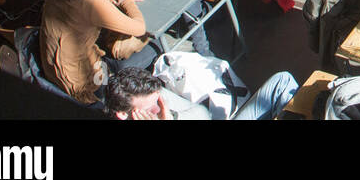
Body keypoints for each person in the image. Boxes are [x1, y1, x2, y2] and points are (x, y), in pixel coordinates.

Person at [39, 0, 148, 105]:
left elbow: (92, 2)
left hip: (53, 72)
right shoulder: (91, 5)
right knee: (152, 46)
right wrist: (127, 0)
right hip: (83, 82)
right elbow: (139, 27)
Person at [105, 66, 299, 121]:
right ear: (123, 115)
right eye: (152, 108)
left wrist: (172, 116)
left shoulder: (155, 98)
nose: (160, 106)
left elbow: (202, 114)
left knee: (282, 81)